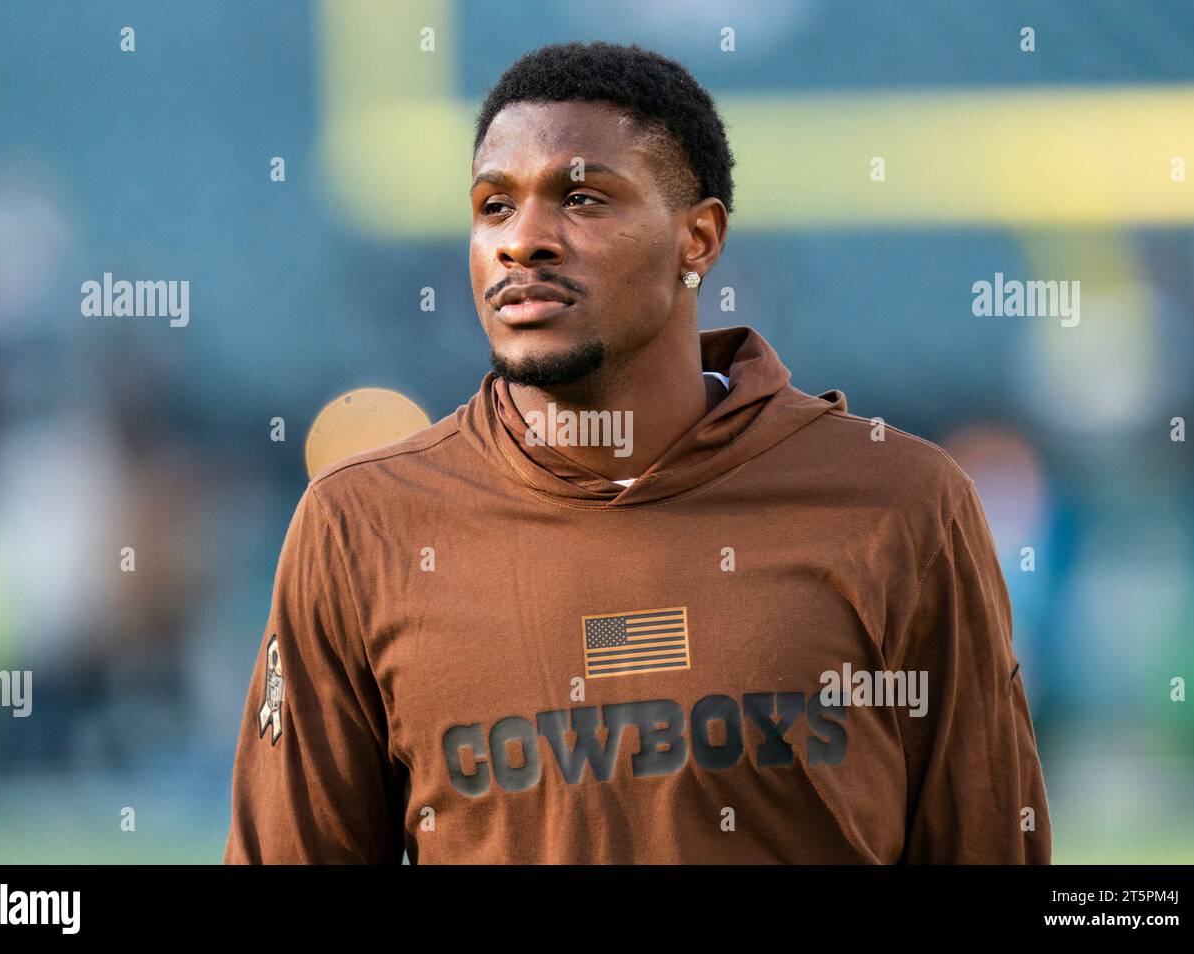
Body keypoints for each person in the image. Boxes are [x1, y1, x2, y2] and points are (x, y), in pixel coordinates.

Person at [223, 41, 1051, 864]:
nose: (524, 241)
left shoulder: (900, 503)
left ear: (699, 239)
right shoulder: (361, 525)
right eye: (494, 206)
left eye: (582, 199)